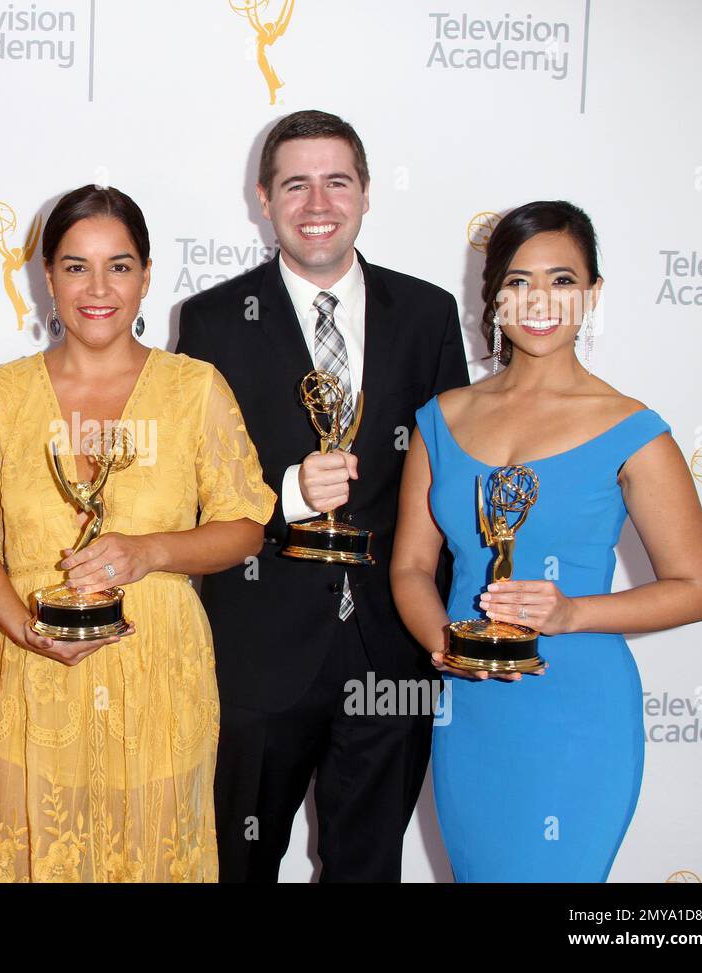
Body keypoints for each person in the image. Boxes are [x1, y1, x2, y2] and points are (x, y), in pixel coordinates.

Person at [0, 185, 275, 882]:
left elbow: (245, 526)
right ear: (47, 276)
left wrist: (151, 551)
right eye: (75, 266)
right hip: (34, 674)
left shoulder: (195, 388)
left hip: (160, 675)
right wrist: (26, 629)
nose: (98, 288)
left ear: (147, 277)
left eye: (118, 266)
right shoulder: (0, 394)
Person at [177, 110, 470, 882]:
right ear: (263, 199)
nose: (318, 202)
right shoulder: (211, 322)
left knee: (368, 867)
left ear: (366, 195)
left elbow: (453, 477)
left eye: (337, 181)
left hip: (394, 648)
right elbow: (187, 489)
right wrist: (288, 495)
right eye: (296, 183)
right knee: (235, 863)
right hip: (256, 650)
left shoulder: (430, 314)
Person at [390, 200, 702, 881]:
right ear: (492, 297)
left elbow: (698, 588)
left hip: (578, 710)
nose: (540, 299)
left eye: (563, 280)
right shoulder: (440, 419)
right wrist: (447, 644)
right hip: (474, 708)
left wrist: (572, 612)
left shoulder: (633, 429)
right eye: (517, 280)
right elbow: (411, 568)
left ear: (593, 294)